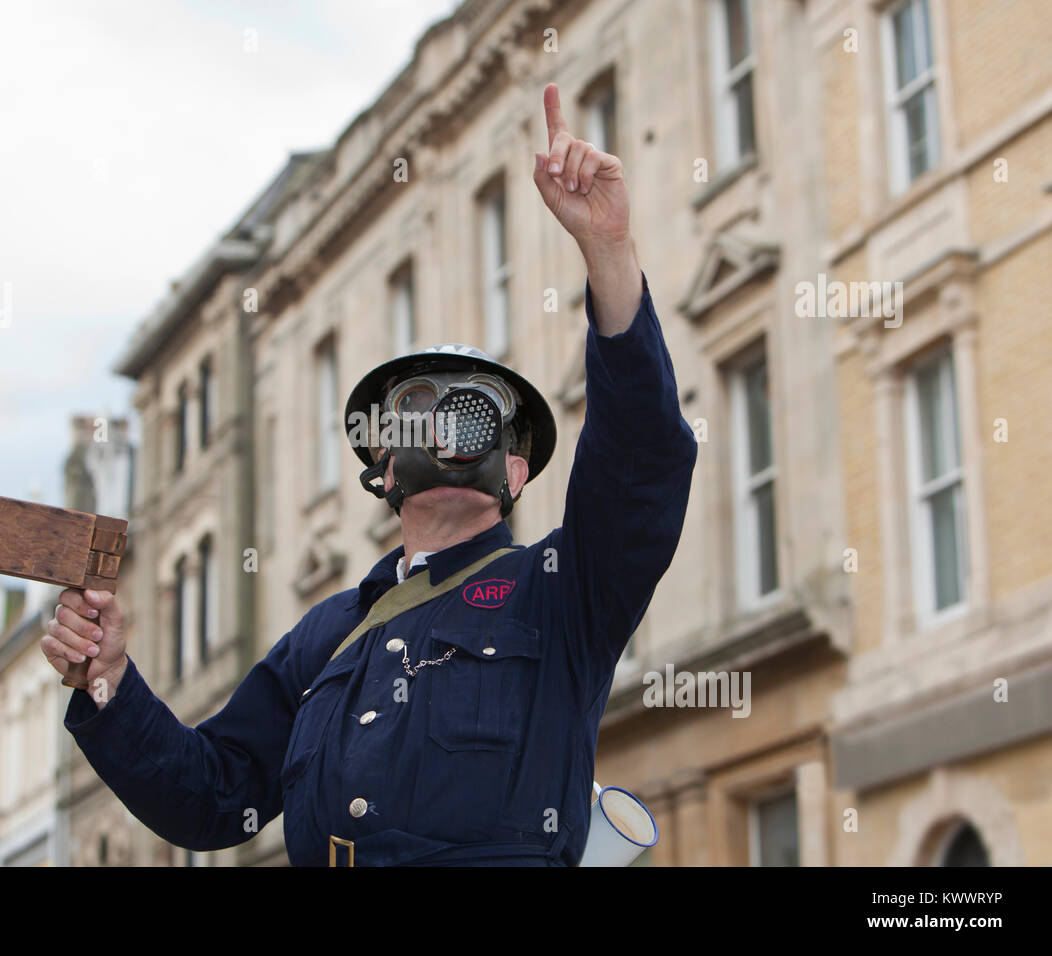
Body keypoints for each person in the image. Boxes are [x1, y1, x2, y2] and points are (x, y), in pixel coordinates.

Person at [43, 83, 696, 866]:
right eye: (417, 411)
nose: (449, 428)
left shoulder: (561, 592)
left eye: (477, 413)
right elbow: (215, 795)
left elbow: (641, 458)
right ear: (382, 467)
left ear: (517, 471)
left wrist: (608, 253)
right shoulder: (325, 636)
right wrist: (107, 679)